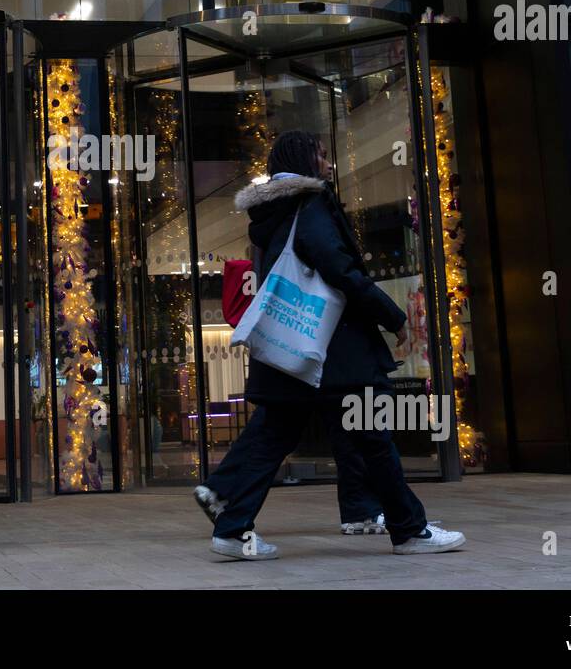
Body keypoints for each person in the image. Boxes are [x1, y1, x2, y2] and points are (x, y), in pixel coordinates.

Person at [193, 129, 465, 559]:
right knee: (371, 435)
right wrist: (390, 314)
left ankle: (232, 526)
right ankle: (410, 531)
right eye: (321, 155)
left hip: (294, 348)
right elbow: (337, 267)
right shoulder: (310, 204)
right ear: (304, 159)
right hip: (334, 347)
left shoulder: (271, 213)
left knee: (278, 435)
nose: (328, 162)